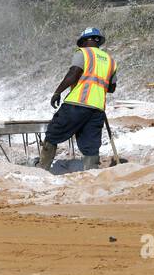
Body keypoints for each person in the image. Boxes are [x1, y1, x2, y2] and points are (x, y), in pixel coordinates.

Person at [37, 27, 118, 172]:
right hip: (97, 108)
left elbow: (74, 73)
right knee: (91, 144)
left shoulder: (83, 53)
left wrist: (57, 92)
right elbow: (112, 88)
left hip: (77, 104)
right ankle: (92, 172)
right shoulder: (110, 61)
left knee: (53, 133)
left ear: (84, 41)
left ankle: (42, 169)